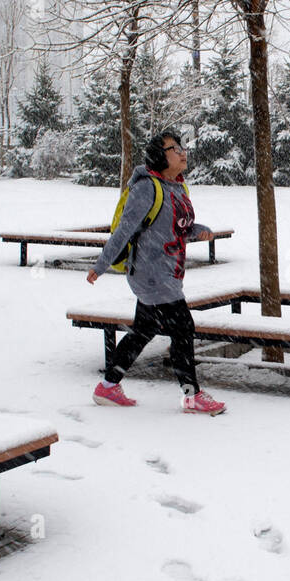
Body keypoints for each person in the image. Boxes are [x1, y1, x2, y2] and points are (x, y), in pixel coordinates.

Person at [86, 129, 226, 416]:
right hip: (152, 275)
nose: (182, 152)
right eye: (174, 148)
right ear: (159, 157)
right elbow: (124, 230)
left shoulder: (177, 187)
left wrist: (198, 232)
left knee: (143, 330)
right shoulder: (146, 188)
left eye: (182, 147)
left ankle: (108, 386)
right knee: (183, 329)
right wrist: (100, 266)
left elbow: (176, 229)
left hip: (167, 273)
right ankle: (192, 395)